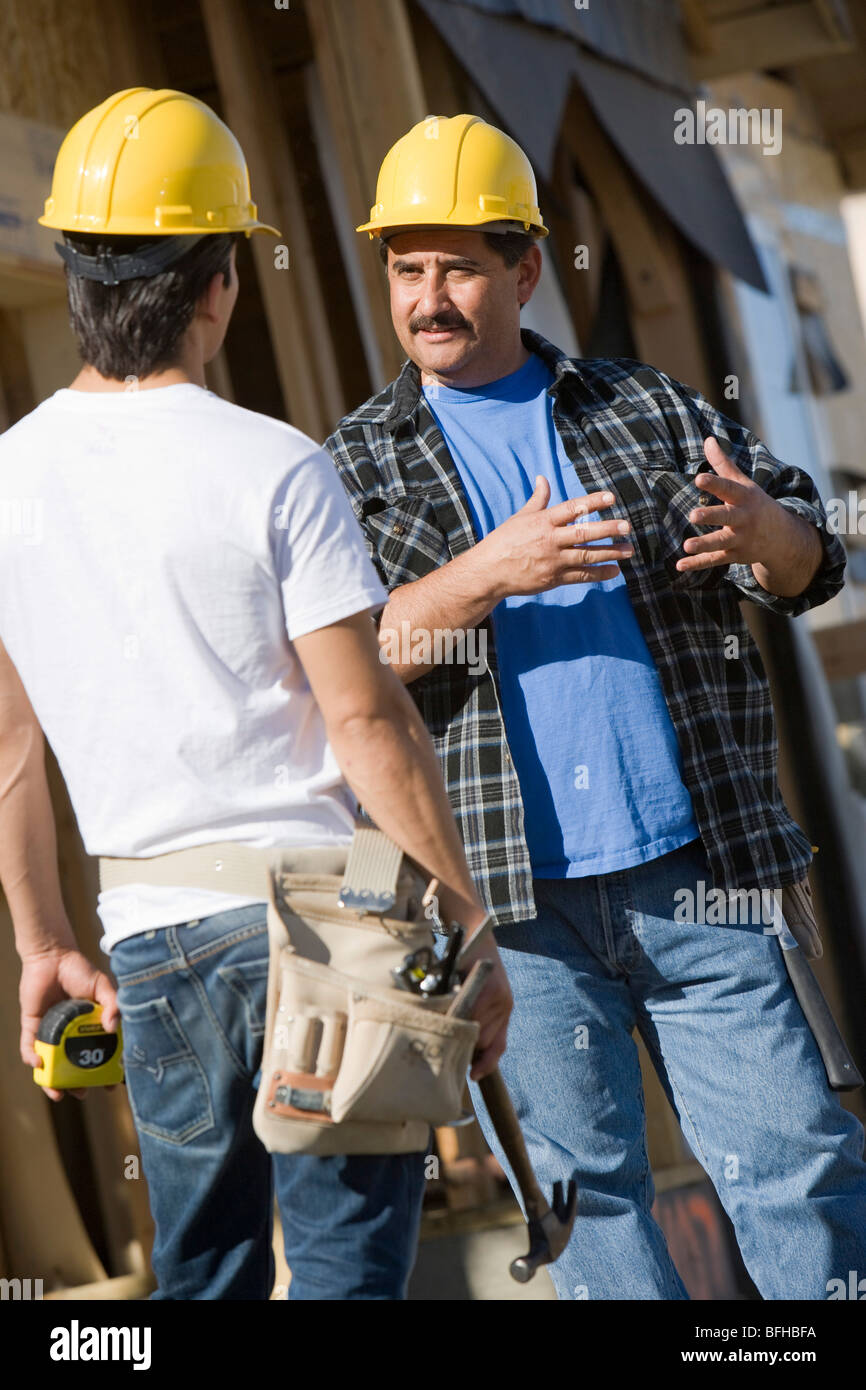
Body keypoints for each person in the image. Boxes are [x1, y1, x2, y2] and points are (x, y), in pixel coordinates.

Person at [325, 113, 866, 1300]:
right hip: (510, 908)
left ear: (525, 269)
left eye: (460, 265)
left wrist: (771, 535)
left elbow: (811, 560)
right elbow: (350, 667)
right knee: (590, 1208)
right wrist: (488, 570)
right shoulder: (356, 462)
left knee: (797, 1167)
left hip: (700, 872)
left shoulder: (646, 408)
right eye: (406, 268)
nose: (428, 297)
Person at [0, 89, 511, 1301]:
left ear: (75, 271)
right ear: (221, 280)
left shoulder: (8, 479)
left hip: (148, 935)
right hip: (325, 921)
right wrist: (466, 928)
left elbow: (11, 744)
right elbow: (366, 719)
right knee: (341, 1271)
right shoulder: (271, 462)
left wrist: (44, 941)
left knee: (204, 1280)